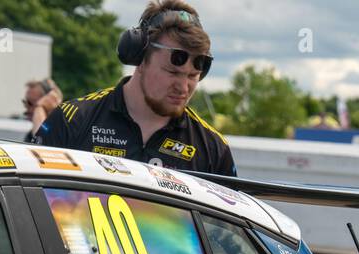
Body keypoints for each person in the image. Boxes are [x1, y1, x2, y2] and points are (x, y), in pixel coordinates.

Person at [32, 1, 236, 176]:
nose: (183, 87)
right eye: (172, 72)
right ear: (139, 59)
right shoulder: (72, 120)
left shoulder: (213, 150)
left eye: (193, 76)